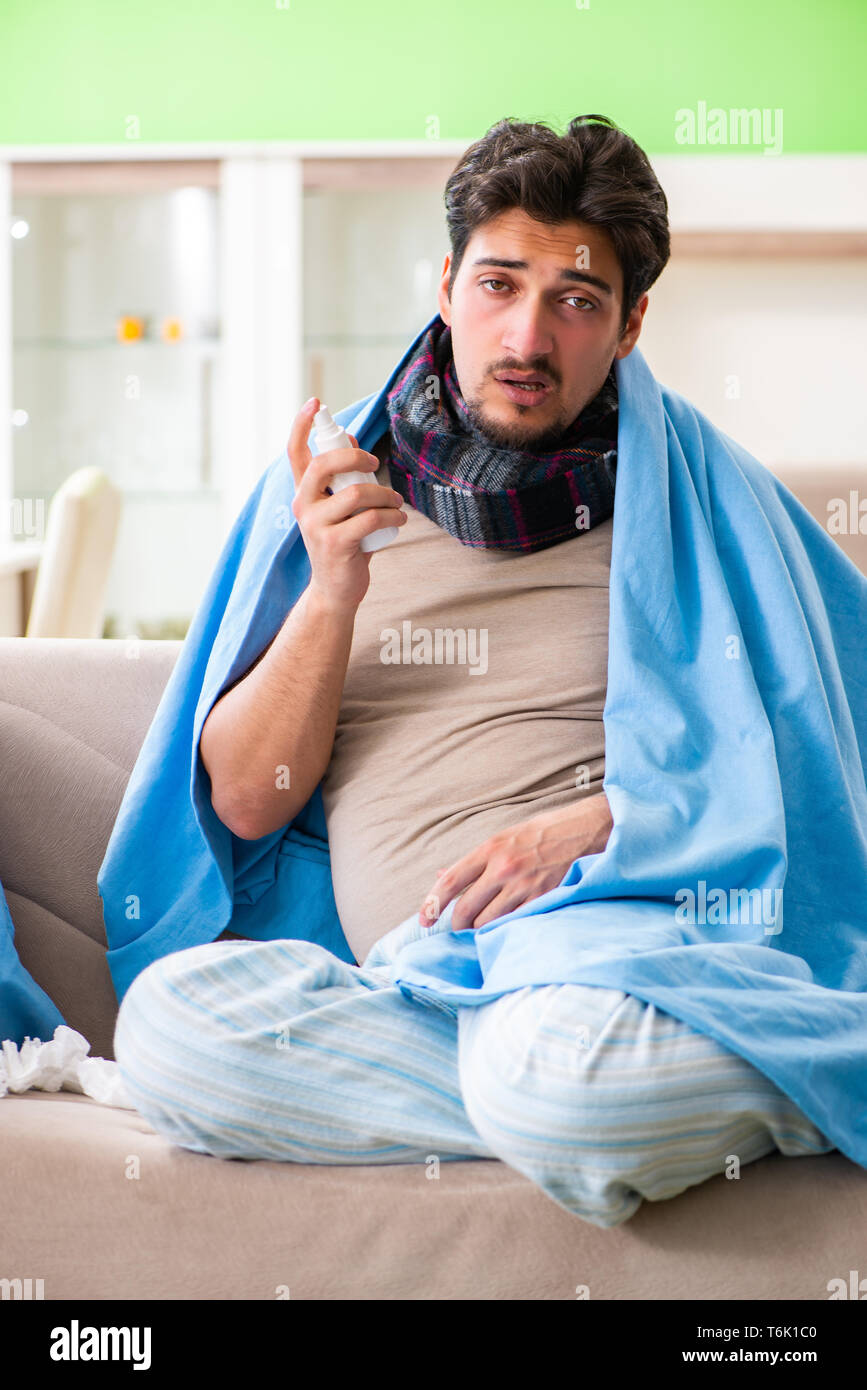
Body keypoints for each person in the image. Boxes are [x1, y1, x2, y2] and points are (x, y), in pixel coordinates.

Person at [111, 115, 837, 1228]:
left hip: (611, 956)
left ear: (631, 324)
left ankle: (603, 1089)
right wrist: (332, 593)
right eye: (498, 284)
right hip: (407, 988)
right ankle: (594, 1108)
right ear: (446, 283)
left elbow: (815, 765)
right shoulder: (328, 499)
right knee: (170, 1026)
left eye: (577, 300)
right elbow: (249, 801)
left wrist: (594, 823)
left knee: (563, 1064)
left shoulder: (707, 497)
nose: (526, 337)